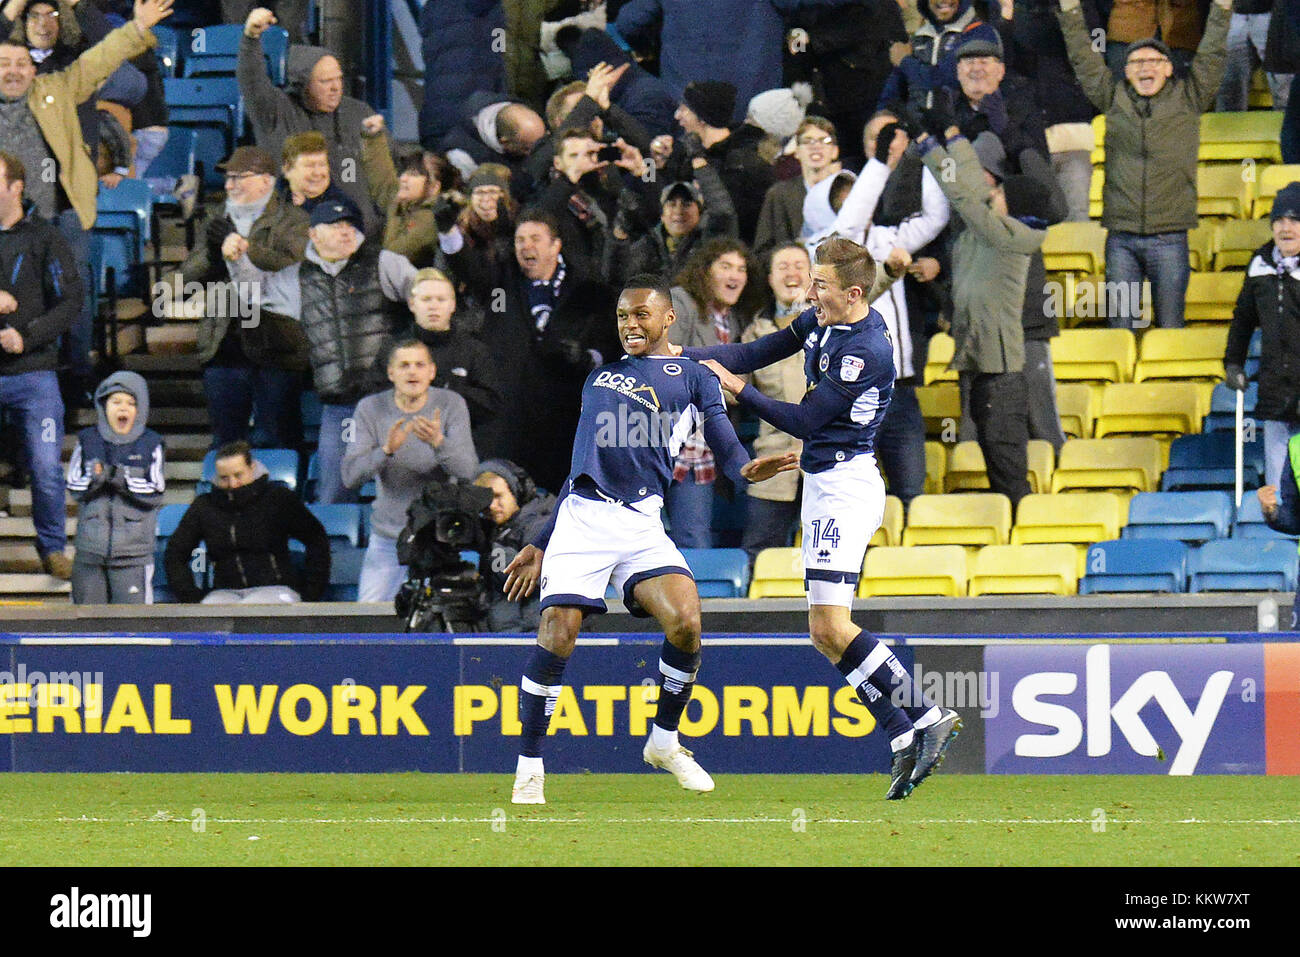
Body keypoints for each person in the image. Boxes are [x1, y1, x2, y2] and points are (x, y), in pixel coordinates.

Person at [499, 274, 798, 805]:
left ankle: (664, 740)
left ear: (668, 319)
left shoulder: (695, 375)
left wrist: (746, 467)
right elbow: (577, 469)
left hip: (642, 523)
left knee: (686, 621)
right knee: (557, 634)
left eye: (641, 315)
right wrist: (544, 540)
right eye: (622, 316)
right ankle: (529, 764)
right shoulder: (599, 378)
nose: (630, 325)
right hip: (585, 519)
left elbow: (724, 437)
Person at [680, 238, 959, 800]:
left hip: (844, 490)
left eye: (822, 284)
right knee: (823, 633)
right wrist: (681, 358)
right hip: (823, 483)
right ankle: (902, 733)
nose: (811, 292)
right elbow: (761, 350)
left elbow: (806, 419)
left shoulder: (868, 350)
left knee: (833, 627)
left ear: (852, 293)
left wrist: (739, 392)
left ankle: (927, 715)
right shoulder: (823, 320)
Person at [0, 0, 170, 399]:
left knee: (72, 291)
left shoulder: (57, 87)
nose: (13, 71)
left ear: (34, 69)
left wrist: (137, 27)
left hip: (63, 212)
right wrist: (12, 8)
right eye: (5, 64)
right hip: (10, 225)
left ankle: (76, 372)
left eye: (22, 64)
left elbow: (101, 59)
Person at [225, 199, 417, 504]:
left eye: (351, 226)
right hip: (340, 406)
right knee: (333, 494)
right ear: (314, 235)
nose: (346, 232)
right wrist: (236, 260)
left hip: (390, 401)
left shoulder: (385, 262)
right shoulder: (299, 277)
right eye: (336, 226)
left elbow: (425, 297)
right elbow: (254, 290)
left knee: (404, 493)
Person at [1057, 0, 1232, 330]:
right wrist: (1070, 12)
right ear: (1125, 70)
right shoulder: (1113, 98)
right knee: (1120, 330)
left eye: (1153, 60)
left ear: (1168, 68)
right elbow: (1083, 56)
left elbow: (1211, 54)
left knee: (1170, 329)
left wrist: (1222, 11)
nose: (1144, 67)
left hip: (1170, 239)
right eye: (1136, 61)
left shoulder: (1190, 97)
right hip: (1120, 239)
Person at [915, 99, 1050, 510]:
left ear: (1016, 204)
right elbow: (973, 186)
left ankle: (1021, 536)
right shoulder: (999, 226)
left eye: (1003, 192)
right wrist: (954, 137)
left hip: (1001, 373)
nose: (995, 194)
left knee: (1006, 463)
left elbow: (963, 197)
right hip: (981, 362)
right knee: (996, 459)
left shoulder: (1008, 236)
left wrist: (928, 147)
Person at [438, 207, 619, 491]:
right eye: (520, 240)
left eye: (535, 238)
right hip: (507, 424)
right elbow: (469, 268)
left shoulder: (587, 288)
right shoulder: (500, 282)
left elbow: (607, 342)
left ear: (555, 245)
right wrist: (449, 232)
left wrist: (586, 358)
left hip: (562, 425)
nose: (526, 246)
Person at [824, 111, 951, 508]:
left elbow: (937, 216)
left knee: (912, 491)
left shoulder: (886, 238)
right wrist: (882, 163)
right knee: (849, 497)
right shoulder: (832, 248)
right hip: (848, 392)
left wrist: (919, 156)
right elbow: (849, 226)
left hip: (897, 389)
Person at [166, 144, 308, 450]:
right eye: (228, 178)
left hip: (275, 344)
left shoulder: (293, 220)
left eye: (238, 177)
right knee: (225, 442)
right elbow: (189, 271)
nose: (229, 185)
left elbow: (282, 262)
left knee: (277, 438)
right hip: (223, 341)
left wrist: (240, 247)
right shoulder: (217, 217)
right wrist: (217, 255)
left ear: (267, 180)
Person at [343, 339, 478, 604]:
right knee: (369, 626)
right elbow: (350, 477)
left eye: (419, 365)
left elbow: (468, 471)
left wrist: (439, 443)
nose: (412, 372)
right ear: (391, 373)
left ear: (432, 371)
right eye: (404, 365)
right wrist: (386, 451)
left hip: (439, 538)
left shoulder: (451, 404)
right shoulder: (369, 408)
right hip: (388, 539)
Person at [0, 150, 83, 578]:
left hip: (33, 373)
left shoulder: (45, 237)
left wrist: (26, 335)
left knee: (47, 468)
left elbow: (71, 301)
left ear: (16, 187)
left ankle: (52, 548)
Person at [239, 6, 381, 233]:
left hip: (360, 232)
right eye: (325, 82)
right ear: (303, 84)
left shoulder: (359, 112)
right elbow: (252, 81)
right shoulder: (277, 111)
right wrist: (251, 39)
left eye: (339, 79)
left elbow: (386, 176)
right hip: (298, 231)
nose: (336, 88)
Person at [666, 238, 761, 549]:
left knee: (694, 541)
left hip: (702, 450)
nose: (735, 275)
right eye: (726, 266)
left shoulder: (733, 320)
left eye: (741, 269)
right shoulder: (682, 302)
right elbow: (666, 362)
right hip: (666, 441)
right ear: (705, 272)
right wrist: (720, 383)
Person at [163, 440, 329, 603]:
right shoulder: (204, 506)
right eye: (224, 478)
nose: (233, 484)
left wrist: (311, 593)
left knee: (250, 611)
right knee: (209, 614)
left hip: (276, 589)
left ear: (252, 468)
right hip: (224, 591)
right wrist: (191, 597)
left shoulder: (278, 498)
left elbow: (316, 538)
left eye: (238, 475)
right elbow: (176, 552)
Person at [65, 371, 164, 603]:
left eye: (131, 403)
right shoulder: (87, 439)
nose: (123, 408)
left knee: (132, 626)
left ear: (140, 409)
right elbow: (73, 484)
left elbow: (156, 490)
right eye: (116, 402)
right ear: (103, 406)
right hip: (89, 554)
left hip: (133, 556)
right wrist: (95, 480)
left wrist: (122, 479)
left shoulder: (152, 443)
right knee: (86, 625)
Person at [1225, 183, 1300, 488]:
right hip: (1275, 395)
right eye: (1279, 220)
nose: (1286, 228)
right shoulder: (1259, 266)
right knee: (1279, 494)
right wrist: (1233, 362)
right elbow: (1243, 320)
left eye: (1295, 220)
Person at [740, 242, 812, 554]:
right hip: (774, 463)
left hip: (825, 461)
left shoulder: (834, 324)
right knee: (760, 554)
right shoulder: (753, 333)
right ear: (769, 278)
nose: (791, 273)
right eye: (782, 266)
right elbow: (733, 393)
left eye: (799, 265)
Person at [381, 268, 501, 444]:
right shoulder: (392, 349)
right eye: (426, 299)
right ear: (412, 304)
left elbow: (491, 404)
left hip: (460, 446)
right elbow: (376, 399)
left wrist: (449, 390)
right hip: (404, 446)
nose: (433, 306)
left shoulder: (474, 350)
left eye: (441, 300)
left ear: (452, 305)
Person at [360, 114, 458, 269]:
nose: (403, 178)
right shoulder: (408, 203)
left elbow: (392, 254)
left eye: (413, 175)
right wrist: (374, 137)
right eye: (404, 172)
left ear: (433, 187)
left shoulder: (432, 219)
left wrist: (395, 210)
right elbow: (382, 178)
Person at [474, 458, 554, 632]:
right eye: (485, 499)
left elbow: (535, 576)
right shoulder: (495, 528)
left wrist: (491, 550)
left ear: (517, 492)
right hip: (506, 632)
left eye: (498, 496)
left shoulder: (543, 525)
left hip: (534, 635)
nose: (492, 506)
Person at [877, 0, 1001, 112]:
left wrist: (905, 62)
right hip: (918, 131)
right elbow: (892, 92)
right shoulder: (919, 38)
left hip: (964, 131)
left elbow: (945, 79)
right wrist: (883, 116)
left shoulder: (981, 33)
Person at [415, 0, 505, 149]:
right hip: (473, 121)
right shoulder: (493, 11)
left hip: (436, 119)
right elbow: (499, 59)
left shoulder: (434, 7)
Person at [752, 115, 842, 262]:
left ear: (835, 151)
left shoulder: (850, 192)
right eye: (807, 141)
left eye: (824, 141)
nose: (816, 146)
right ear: (797, 152)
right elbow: (762, 251)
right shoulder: (779, 194)